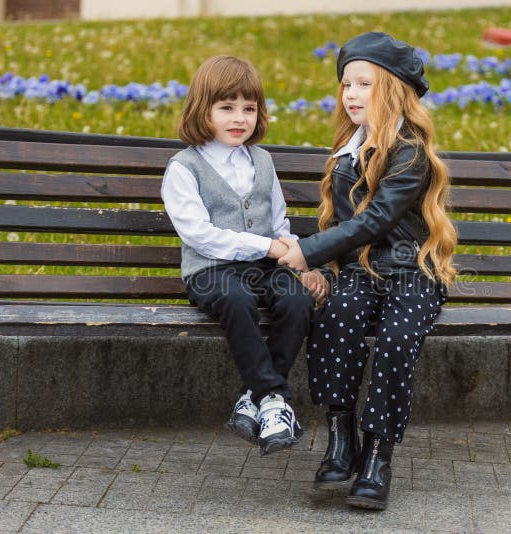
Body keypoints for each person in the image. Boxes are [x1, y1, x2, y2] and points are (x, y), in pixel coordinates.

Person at [278, 32, 457, 509]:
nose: (350, 94)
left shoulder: (409, 151)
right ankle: (342, 438)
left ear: (394, 91)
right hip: (361, 271)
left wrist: (306, 251)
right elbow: (343, 224)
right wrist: (323, 269)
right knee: (335, 314)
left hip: (411, 272)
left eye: (363, 84)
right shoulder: (347, 152)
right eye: (345, 85)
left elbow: (375, 219)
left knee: (398, 338)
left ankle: (378, 455)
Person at [161, 55, 328, 456]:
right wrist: (266, 246)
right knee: (236, 300)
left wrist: (298, 261)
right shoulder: (184, 168)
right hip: (210, 270)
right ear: (203, 110)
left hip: (265, 268)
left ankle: (253, 399)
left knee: (296, 300)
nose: (240, 118)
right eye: (227, 107)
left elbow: (279, 223)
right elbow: (199, 235)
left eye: (249, 109)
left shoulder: (263, 161)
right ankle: (274, 398)